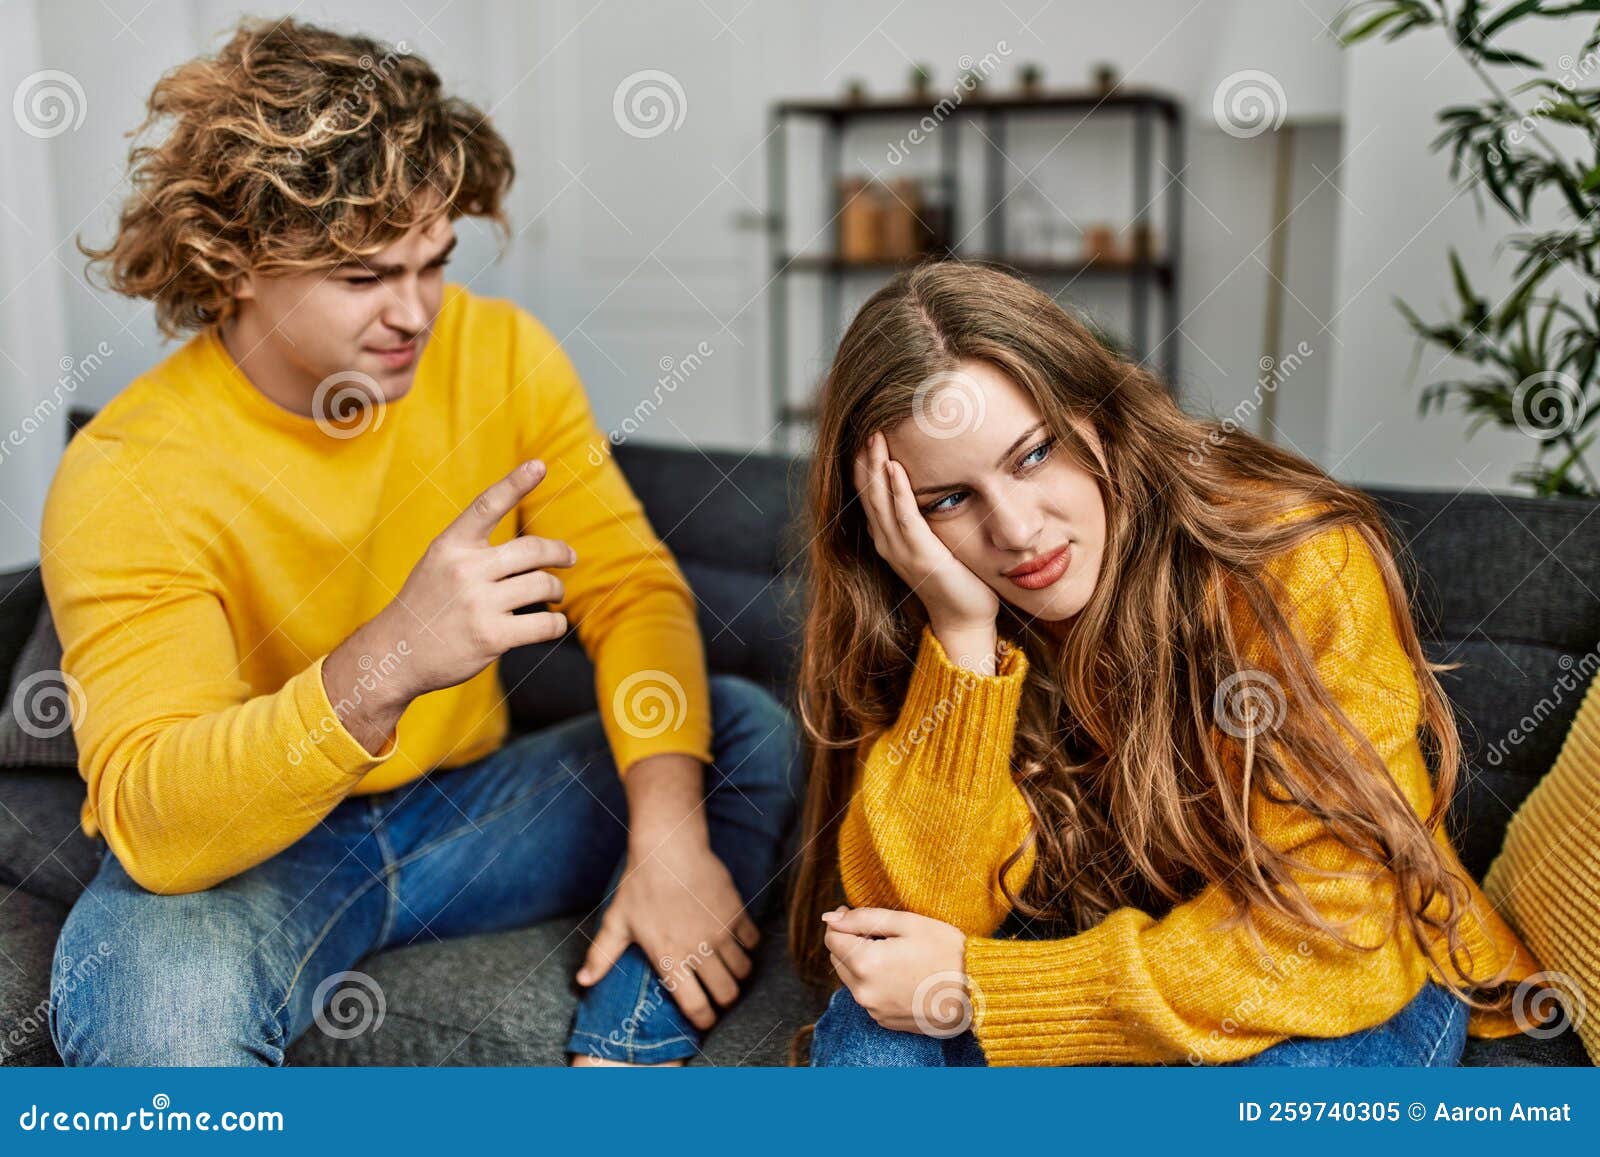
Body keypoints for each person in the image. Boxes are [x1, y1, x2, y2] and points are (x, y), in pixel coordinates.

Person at [42, 17, 799, 1067]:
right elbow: (159, 824)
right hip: (256, 848)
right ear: (234, 261)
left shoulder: (502, 353)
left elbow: (630, 589)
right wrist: (389, 662)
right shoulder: (129, 469)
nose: (414, 314)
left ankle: (617, 1067)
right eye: (363, 277)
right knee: (152, 1004)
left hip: (471, 813)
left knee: (740, 727)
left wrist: (666, 837)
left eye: (431, 264)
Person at [788, 260, 1549, 1067]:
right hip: (1083, 954)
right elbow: (904, 932)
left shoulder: (1294, 565)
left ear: (1098, 416)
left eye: (1034, 454)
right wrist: (962, 639)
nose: (1015, 529)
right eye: (948, 499)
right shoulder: (922, 600)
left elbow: (1337, 936)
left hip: (1320, 982)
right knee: (879, 1041)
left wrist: (987, 989)